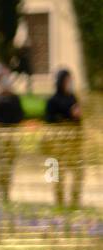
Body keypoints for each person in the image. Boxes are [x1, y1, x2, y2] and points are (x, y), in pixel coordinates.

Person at [44, 68, 84, 208]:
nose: (70, 83)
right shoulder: (52, 101)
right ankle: (59, 202)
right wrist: (69, 114)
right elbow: (50, 120)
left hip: (73, 144)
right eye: (67, 80)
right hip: (58, 144)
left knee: (78, 172)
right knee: (57, 175)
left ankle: (74, 201)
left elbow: (79, 121)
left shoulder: (73, 98)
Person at [0, 64, 25, 201]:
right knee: (0, 166)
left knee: (8, 166)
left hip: (12, 138)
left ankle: (5, 193)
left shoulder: (14, 97)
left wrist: (10, 95)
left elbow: (20, 115)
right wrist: (0, 95)